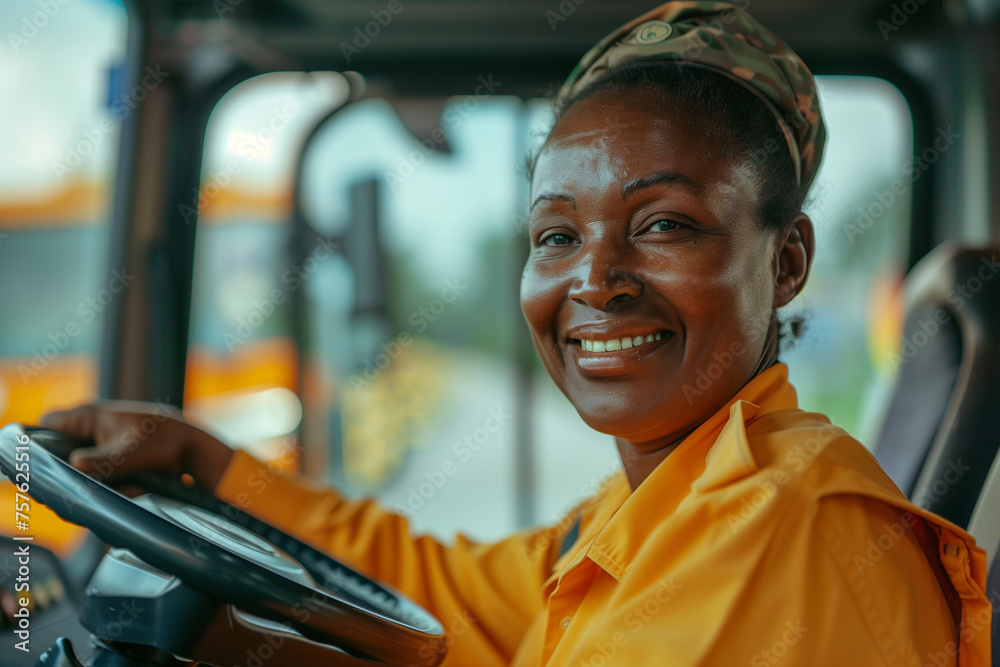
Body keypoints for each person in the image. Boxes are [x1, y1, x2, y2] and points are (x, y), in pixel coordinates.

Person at [39, 2, 990, 665]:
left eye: (662, 225)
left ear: (787, 261)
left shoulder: (789, 528)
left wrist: (244, 649)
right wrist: (207, 463)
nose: (597, 280)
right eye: (557, 235)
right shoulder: (641, 513)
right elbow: (435, 591)